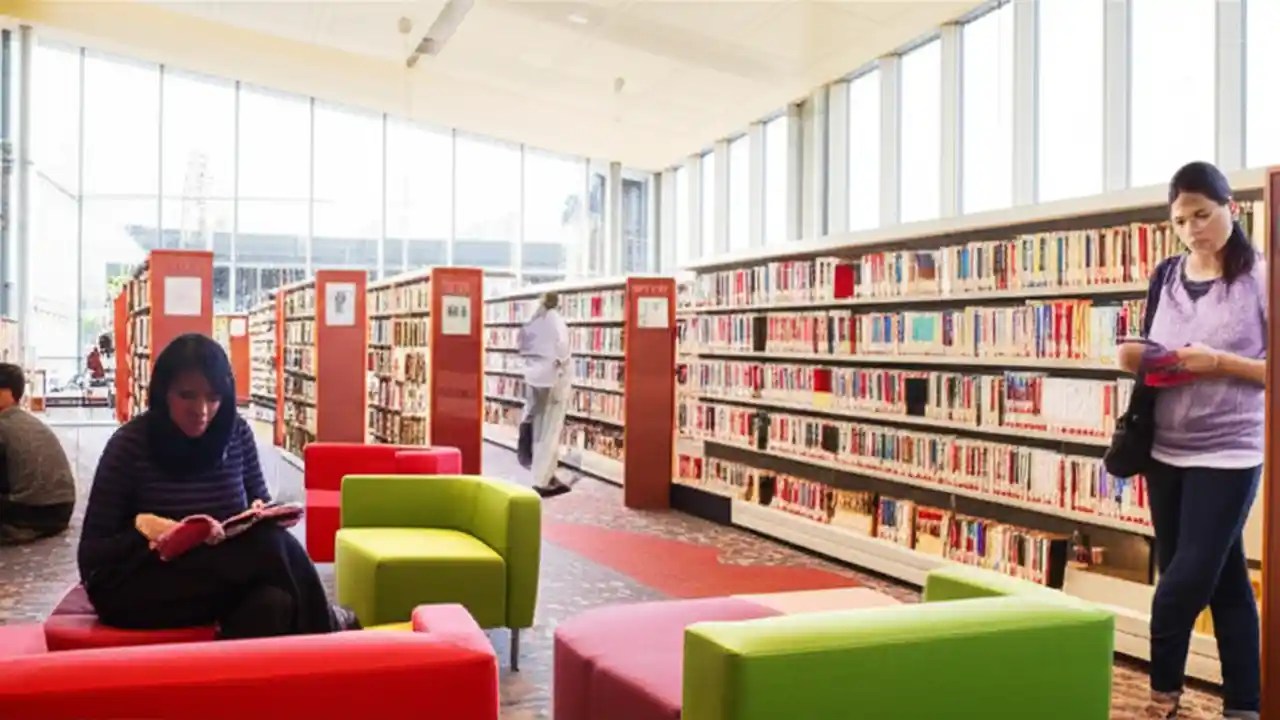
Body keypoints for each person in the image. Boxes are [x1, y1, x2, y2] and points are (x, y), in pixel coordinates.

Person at [77, 333, 359, 638]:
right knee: (269, 545)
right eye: (187, 395)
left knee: (273, 603)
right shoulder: (129, 445)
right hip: (138, 586)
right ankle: (331, 630)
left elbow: (260, 508)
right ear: (163, 393)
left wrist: (259, 512)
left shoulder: (236, 434)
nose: (201, 410)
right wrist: (158, 536)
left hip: (216, 579)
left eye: (213, 397)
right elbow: (93, 556)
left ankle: (253, 668)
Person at [1117, 161, 1265, 720]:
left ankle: (1162, 696)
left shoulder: (1261, 278)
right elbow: (1154, 351)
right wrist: (1139, 357)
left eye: (1202, 214)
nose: (1192, 229)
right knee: (1226, 583)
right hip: (1165, 451)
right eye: (1180, 220)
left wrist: (1219, 363)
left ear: (1232, 208)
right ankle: (1244, 705)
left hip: (1229, 451)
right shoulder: (1166, 276)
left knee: (1182, 583)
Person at [0, 363, 75, 544]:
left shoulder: (4, 426)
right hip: (61, 511)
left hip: (30, 513)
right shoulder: (30, 422)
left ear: (7, 394)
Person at [516, 291, 576, 498]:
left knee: (539, 430)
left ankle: (542, 474)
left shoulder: (534, 319)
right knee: (550, 432)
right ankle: (543, 480)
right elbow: (562, 352)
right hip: (553, 384)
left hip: (535, 383)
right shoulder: (556, 321)